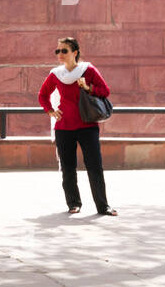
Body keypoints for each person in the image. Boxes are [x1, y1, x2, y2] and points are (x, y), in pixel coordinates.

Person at [38, 36, 116, 216]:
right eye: (57, 51)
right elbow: (42, 95)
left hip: (87, 125)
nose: (60, 54)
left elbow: (105, 91)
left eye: (64, 51)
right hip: (63, 127)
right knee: (68, 167)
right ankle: (73, 203)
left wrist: (88, 87)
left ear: (75, 52)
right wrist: (50, 111)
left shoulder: (88, 70)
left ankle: (103, 206)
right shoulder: (56, 74)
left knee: (95, 166)